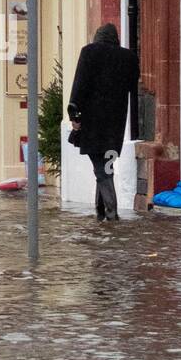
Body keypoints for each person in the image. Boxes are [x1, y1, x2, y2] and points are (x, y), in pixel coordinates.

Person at [67, 23, 139, 222]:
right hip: (115, 123)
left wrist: (74, 114)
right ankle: (100, 212)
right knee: (105, 163)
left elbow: (79, 84)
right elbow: (134, 86)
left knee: (101, 167)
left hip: (93, 122)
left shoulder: (89, 52)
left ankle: (111, 213)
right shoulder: (129, 57)